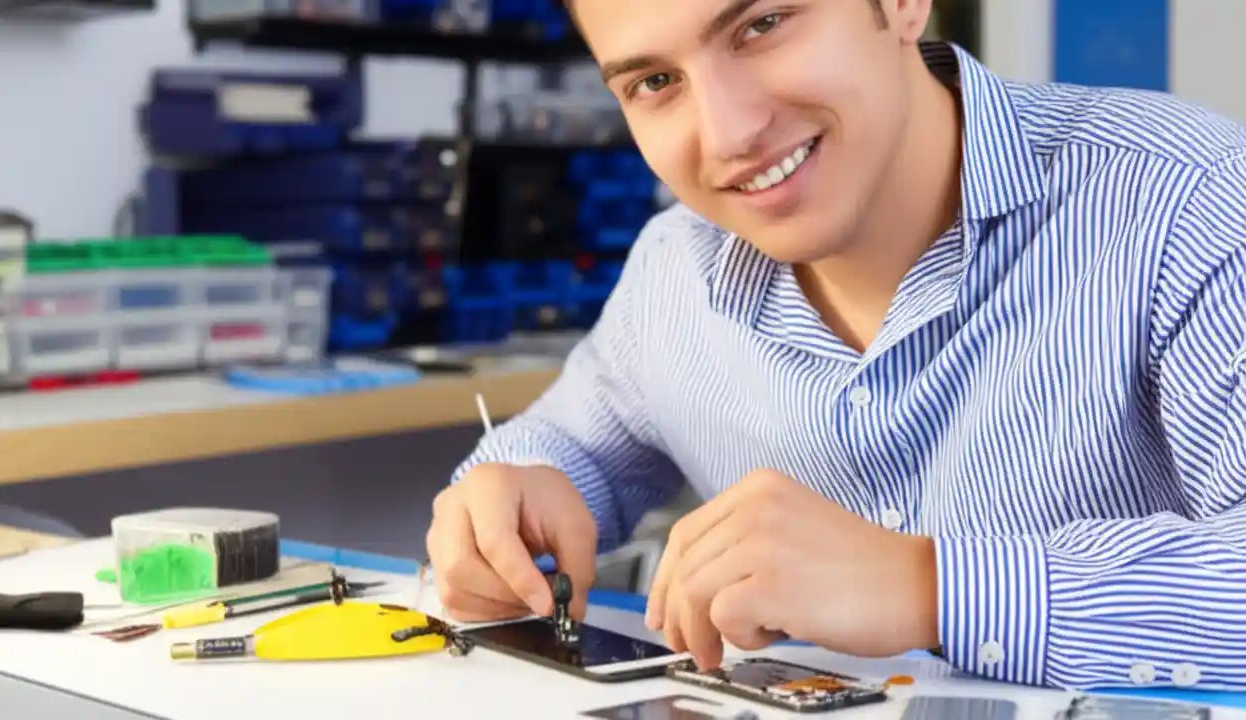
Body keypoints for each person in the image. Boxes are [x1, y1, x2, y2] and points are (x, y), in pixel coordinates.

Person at [425, 0, 1246, 692]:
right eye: (655, 83)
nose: (729, 133)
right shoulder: (676, 266)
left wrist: (931, 586)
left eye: (761, 26)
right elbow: (571, 447)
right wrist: (511, 498)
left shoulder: (1191, 200)